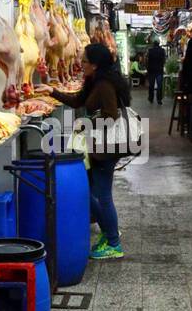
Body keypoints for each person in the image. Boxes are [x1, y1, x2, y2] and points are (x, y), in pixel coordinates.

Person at [34, 43, 130, 260]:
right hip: (98, 146)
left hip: (106, 148)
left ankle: (114, 242)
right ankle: (109, 233)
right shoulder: (95, 81)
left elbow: (111, 115)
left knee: (100, 196)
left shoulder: (104, 85)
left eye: (84, 61)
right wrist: (52, 91)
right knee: (95, 194)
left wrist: (86, 123)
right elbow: (78, 100)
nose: (80, 63)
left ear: (95, 65)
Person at [145, 39, 167, 104]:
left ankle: (151, 98)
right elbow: (164, 60)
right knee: (159, 86)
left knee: (151, 85)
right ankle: (159, 99)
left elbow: (147, 60)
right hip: (159, 70)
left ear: (153, 44)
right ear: (159, 44)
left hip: (151, 71)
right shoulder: (162, 51)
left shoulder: (150, 51)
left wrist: (147, 68)